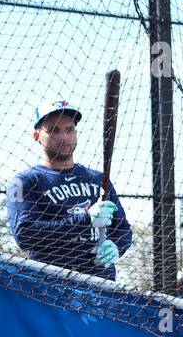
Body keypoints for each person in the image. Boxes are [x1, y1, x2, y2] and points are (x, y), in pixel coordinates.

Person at [7, 100, 132, 281]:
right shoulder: (24, 182)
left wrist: (116, 247)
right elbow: (25, 234)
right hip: (50, 289)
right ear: (37, 135)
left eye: (69, 129)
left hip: (99, 286)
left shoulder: (99, 179)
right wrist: (86, 220)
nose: (64, 137)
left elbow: (123, 230)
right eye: (54, 130)